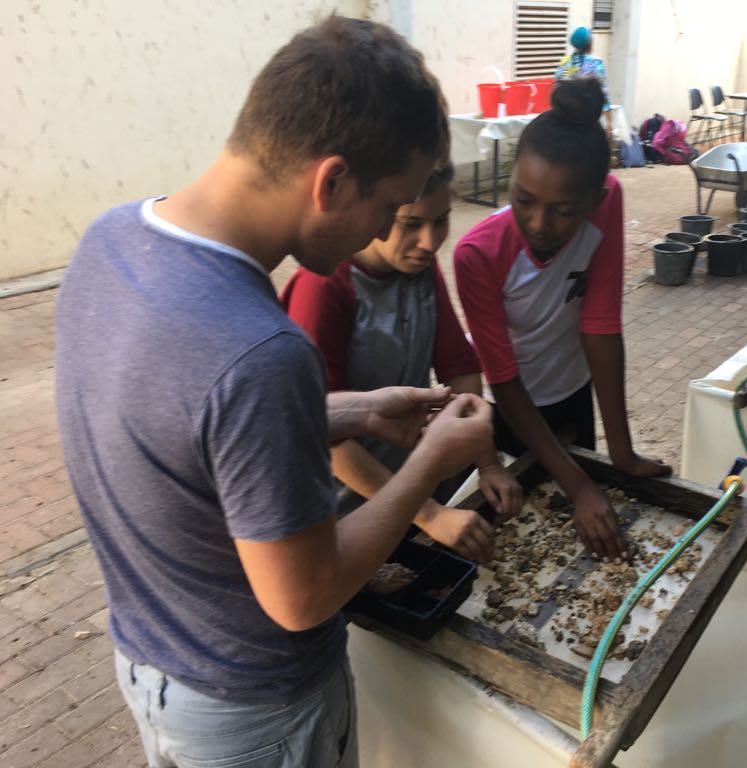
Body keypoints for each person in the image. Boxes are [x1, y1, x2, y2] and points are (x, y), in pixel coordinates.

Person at [54, 16, 495, 768]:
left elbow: (190, 428)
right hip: (254, 711)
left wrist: (351, 410)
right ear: (331, 182)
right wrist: (429, 467)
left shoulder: (110, 240)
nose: (391, 228)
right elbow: (304, 596)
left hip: (153, 665)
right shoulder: (263, 350)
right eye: (391, 206)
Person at [454, 79, 670, 560]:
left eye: (564, 212)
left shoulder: (609, 200)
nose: (538, 224)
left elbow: (600, 324)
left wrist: (621, 454)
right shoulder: (476, 255)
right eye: (524, 200)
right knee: (523, 543)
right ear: (510, 176)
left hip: (572, 393)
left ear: (594, 200)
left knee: (584, 535)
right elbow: (503, 377)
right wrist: (578, 486)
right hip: (510, 411)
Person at [282, 163, 522, 563]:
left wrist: (489, 463)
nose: (429, 242)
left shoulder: (420, 270)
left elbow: (459, 369)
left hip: (409, 490)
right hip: (340, 515)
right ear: (377, 212)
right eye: (410, 222)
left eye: (441, 220)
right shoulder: (324, 286)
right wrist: (430, 515)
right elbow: (322, 436)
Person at [555, 27, 612, 135]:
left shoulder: (564, 62)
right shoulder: (596, 63)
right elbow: (604, 96)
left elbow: (556, 90)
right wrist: (609, 123)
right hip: (588, 120)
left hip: (565, 119)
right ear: (590, 45)